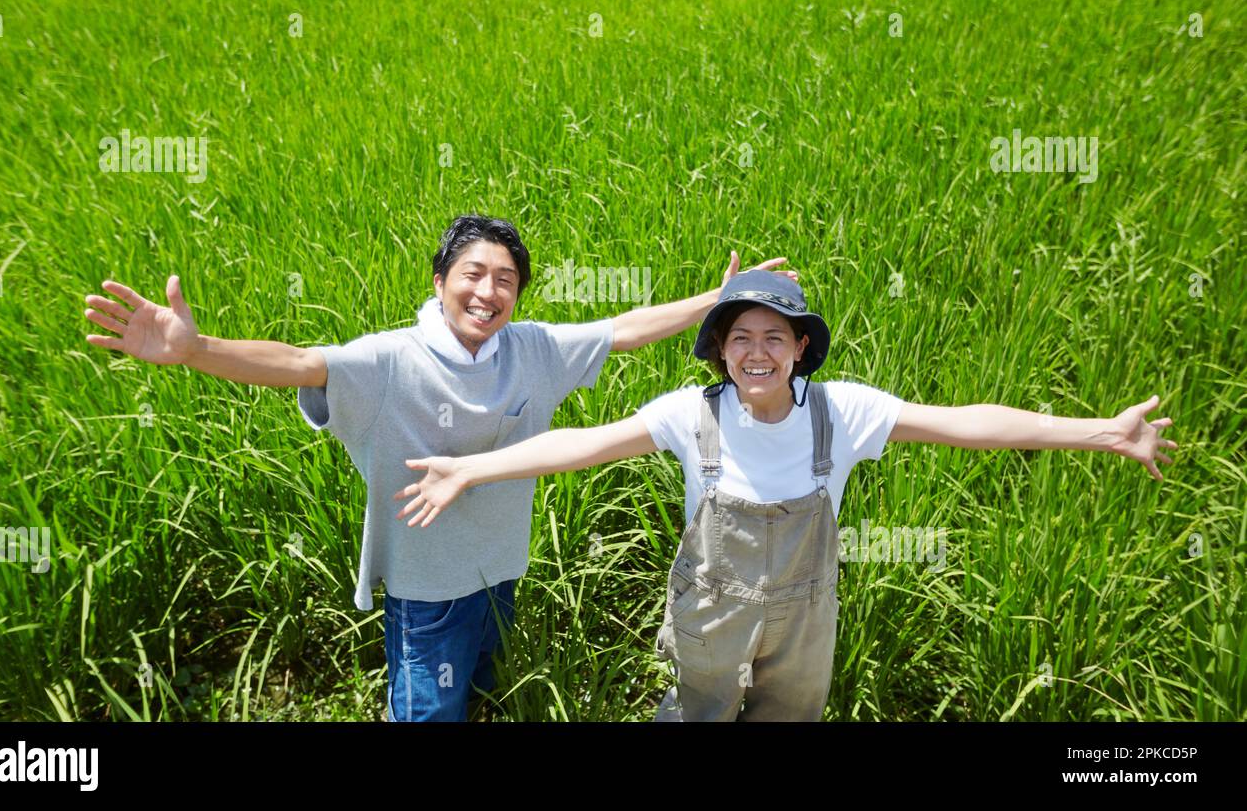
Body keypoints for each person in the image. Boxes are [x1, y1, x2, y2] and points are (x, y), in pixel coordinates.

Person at [82, 214, 798, 721]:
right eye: (473, 274)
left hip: (501, 570)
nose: (488, 293)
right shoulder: (388, 361)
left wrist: (719, 300)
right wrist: (194, 349)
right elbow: (296, 363)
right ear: (438, 279)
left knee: (485, 686)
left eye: (506, 281)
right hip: (425, 594)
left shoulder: (533, 349)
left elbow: (623, 331)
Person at [394, 270, 1178, 720]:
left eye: (775, 337)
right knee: (698, 709)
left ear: (801, 350)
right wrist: (470, 470)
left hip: (806, 619)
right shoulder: (688, 415)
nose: (756, 352)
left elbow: (970, 423)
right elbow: (579, 446)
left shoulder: (845, 412)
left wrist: (1103, 431)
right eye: (740, 338)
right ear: (722, 353)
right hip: (710, 610)